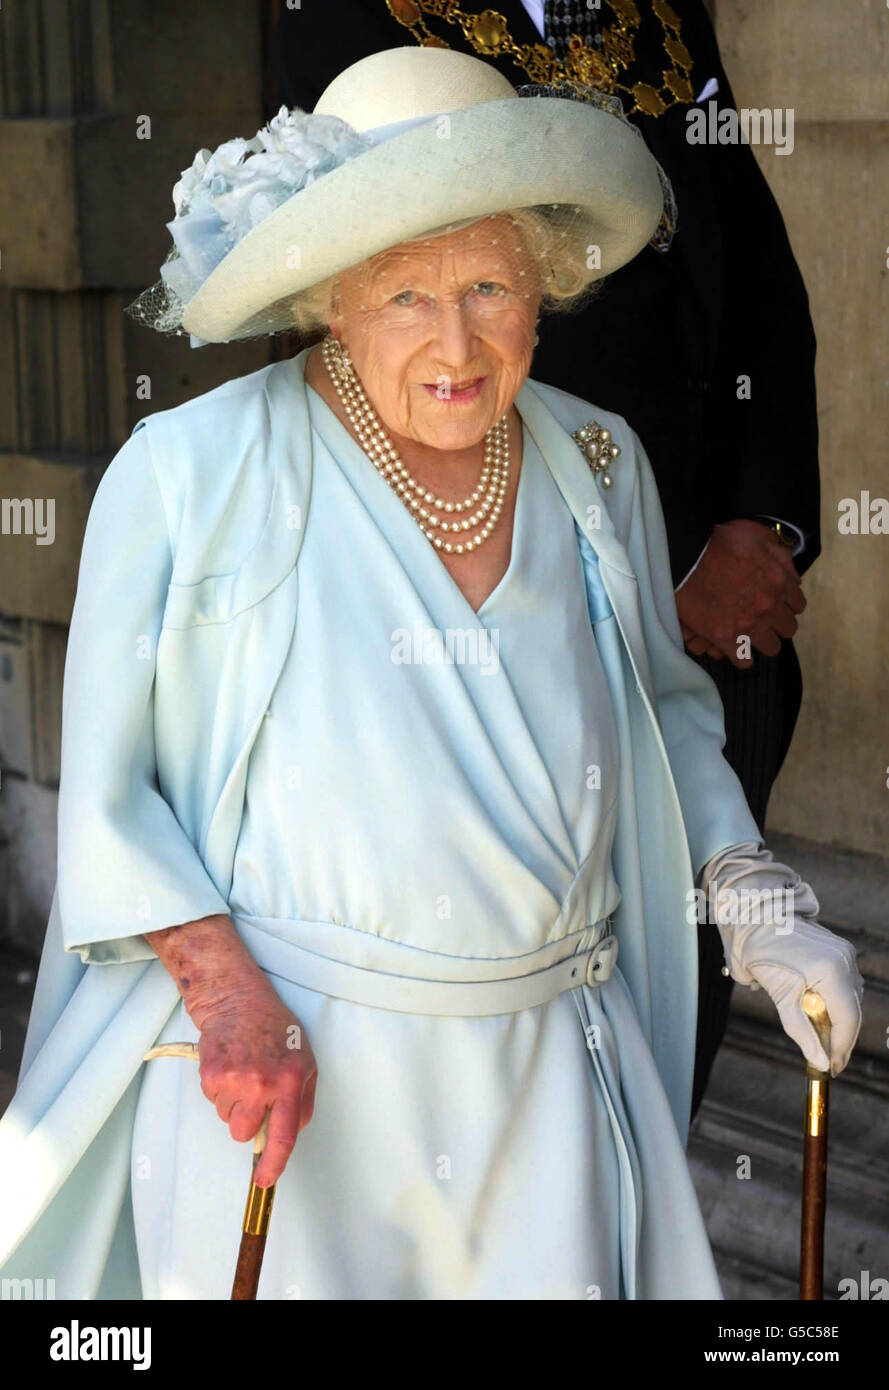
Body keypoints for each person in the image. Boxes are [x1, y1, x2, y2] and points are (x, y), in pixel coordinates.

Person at [0, 47, 860, 1301]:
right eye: (406, 295)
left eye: (491, 288)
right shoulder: (191, 474)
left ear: (545, 286)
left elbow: (664, 726)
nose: (456, 342)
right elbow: (113, 794)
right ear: (332, 298)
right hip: (299, 1092)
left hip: (552, 1095)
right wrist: (226, 994)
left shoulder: (600, 463)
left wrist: (749, 890)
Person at [272, 0, 821, 1117]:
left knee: (656, 1061)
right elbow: (406, 303)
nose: (460, 322)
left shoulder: (657, 6)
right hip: (511, 599)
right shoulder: (338, 13)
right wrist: (645, 578)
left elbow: (748, 265)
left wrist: (759, 524)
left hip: (709, 618)